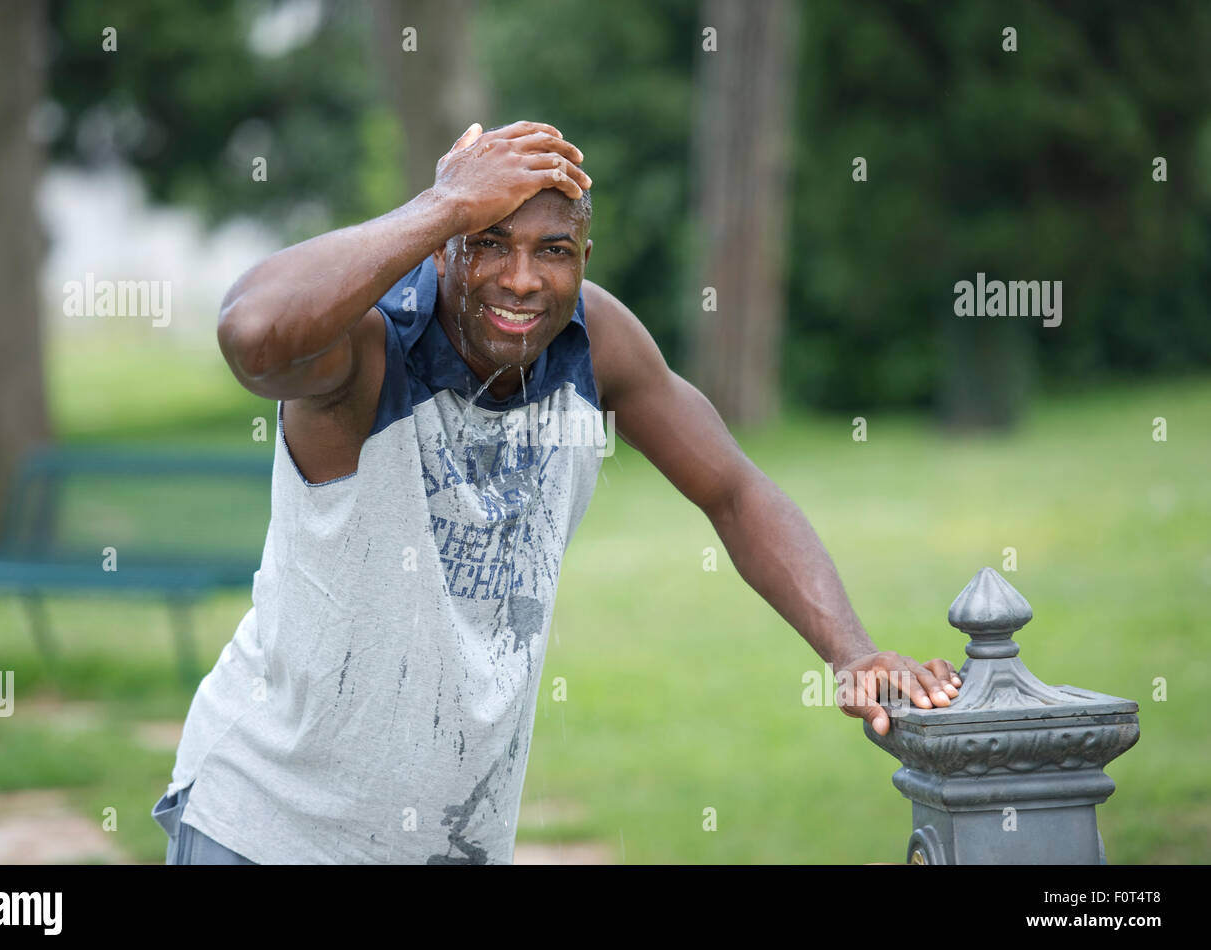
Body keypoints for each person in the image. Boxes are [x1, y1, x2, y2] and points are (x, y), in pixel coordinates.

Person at [152, 120, 961, 865]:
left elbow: (735, 492)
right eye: (490, 242)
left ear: (583, 257)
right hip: (267, 827)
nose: (522, 279)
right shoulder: (367, 349)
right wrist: (445, 200)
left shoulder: (594, 345)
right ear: (441, 249)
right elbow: (253, 335)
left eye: (554, 250)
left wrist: (852, 652)